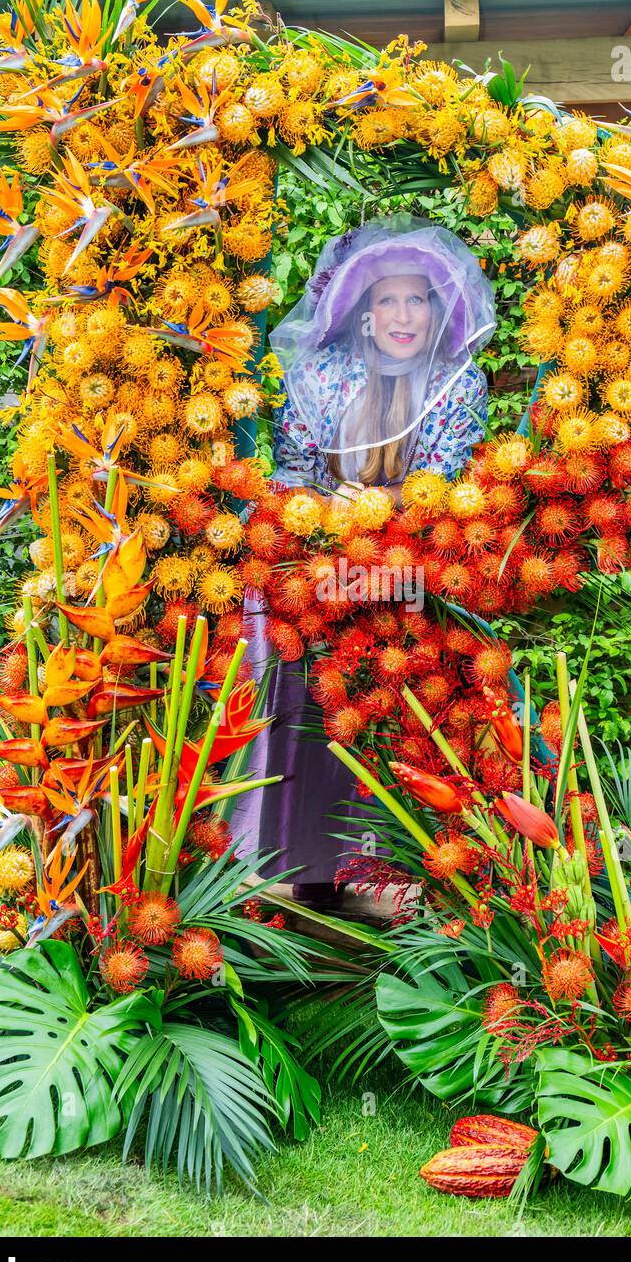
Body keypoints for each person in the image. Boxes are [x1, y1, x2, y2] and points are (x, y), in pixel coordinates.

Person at [231, 214, 497, 908]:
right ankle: (303, 864)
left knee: (415, 671)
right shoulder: (323, 375)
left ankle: (421, 874)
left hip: (411, 570)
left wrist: (382, 507)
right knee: (278, 639)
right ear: (365, 313)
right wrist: (324, 504)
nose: (404, 315)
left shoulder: (456, 384)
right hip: (320, 565)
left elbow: (448, 483)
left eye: (418, 299)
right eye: (388, 300)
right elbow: (290, 470)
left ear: (437, 310)